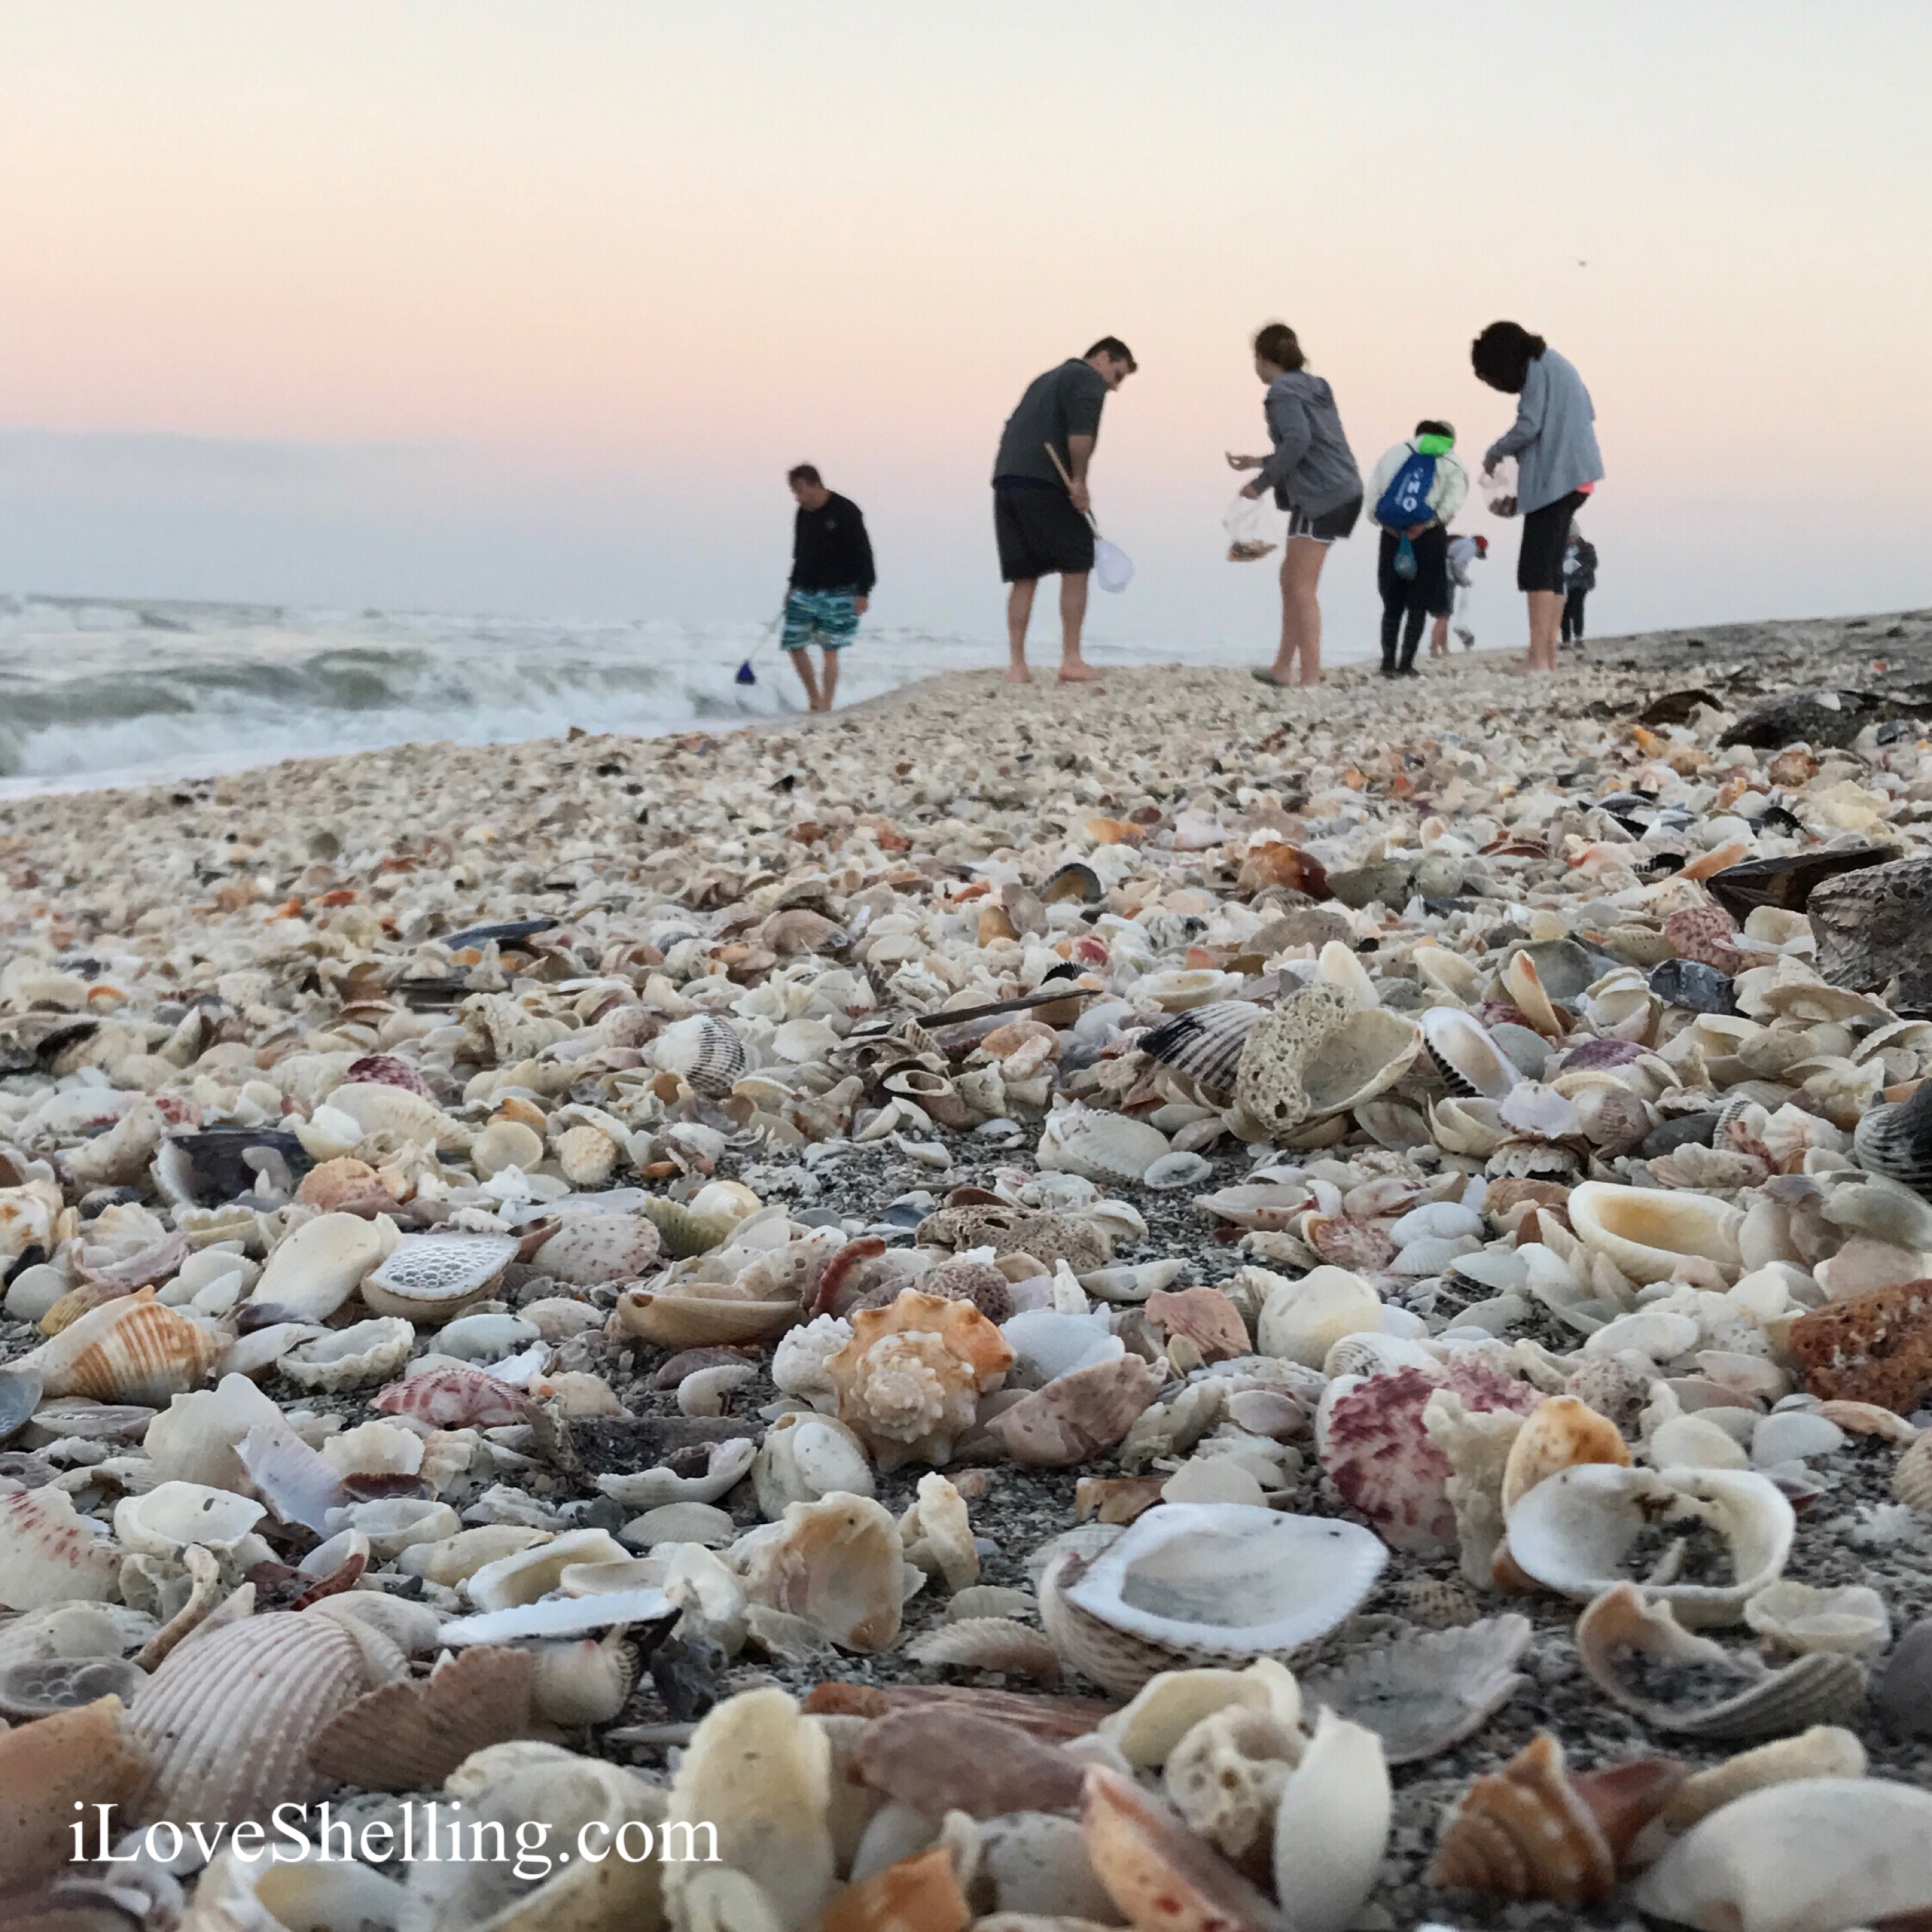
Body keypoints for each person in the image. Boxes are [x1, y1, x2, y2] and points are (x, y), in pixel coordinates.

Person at [991, 337, 1137, 686]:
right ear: (1103, 358)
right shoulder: (1087, 379)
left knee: (1024, 573)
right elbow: (1081, 436)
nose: (1114, 387)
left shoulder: (1045, 380)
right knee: (1078, 560)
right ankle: (1071, 659)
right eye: (1116, 376)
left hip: (1007, 480)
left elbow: (1012, 427)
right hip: (1045, 480)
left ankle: (1017, 667)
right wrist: (1079, 481)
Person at [1227, 323, 1362, 688]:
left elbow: (1299, 440)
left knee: (1301, 585)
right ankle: (1283, 667)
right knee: (1290, 578)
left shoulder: (1281, 392)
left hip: (1321, 495)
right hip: (1343, 487)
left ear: (1263, 358)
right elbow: (1315, 442)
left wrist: (1261, 483)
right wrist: (1259, 461)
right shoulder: (1315, 386)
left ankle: (1311, 675)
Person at [1471, 321, 1603, 674]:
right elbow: (1587, 412)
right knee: (1551, 567)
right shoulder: (1557, 365)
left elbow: (1529, 426)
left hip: (1559, 480)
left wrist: (1495, 453)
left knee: (1535, 569)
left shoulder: (1536, 370)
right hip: (1579, 476)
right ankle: (1546, 657)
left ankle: (1538, 660)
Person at [1364, 419, 1468, 678]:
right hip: (1428, 537)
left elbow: (1374, 493)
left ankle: (1387, 663)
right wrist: (1428, 524)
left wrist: (1382, 523)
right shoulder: (1453, 462)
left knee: (1392, 601)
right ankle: (1406, 664)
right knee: (1418, 603)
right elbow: (1451, 504)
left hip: (1391, 534)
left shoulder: (1395, 453)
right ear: (1450, 440)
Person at [782, 464, 875, 712]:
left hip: (841, 589)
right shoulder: (803, 513)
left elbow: (864, 553)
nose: (798, 497)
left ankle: (826, 703)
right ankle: (813, 697)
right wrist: (792, 586)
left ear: (815, 484)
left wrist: (863, 591)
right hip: (806, 588)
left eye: (801, 491)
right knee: (793, 642)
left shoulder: (846, 511)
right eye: (794, 492)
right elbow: (799, 553)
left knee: (830, 649)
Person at [1432, 532, 1489, 656]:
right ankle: (1434, 649)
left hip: (1440, 574)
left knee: (1444, 615)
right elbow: (1458, 563)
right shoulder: (1470, 546)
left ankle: (1444, 649)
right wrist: (1464, 580)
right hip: (1447, 578)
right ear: (1480, 547)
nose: (1477, 554)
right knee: (1444, 614)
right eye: (1480, 552)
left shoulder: (1462, 543)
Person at [1560, 525, 1598, 645]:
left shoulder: (1587, 548)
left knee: (1577, 607)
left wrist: (1577, 568)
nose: (1569, 540)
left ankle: (1578, 636)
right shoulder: (1560, 550)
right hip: (1565, 584)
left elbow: (1592, 564)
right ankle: (1566, 638)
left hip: (1582, 583)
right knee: (1563, 611)